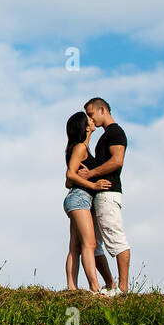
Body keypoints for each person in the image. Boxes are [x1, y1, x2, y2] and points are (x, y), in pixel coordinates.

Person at [78, 96, 131, 295]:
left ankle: (123, 288)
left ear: (102, 110)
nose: (90, 119)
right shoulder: (104, 135)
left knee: (116, 239)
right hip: (100, 196)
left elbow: (117, 161)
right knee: (95, 244)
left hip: (109, 194)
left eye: (91, 114)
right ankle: (110, 285)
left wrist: (90, 174)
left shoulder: (115, 132)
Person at [62, 110, 113, 293]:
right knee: (89, 245)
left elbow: (69, 180)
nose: (92, 121)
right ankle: (95, 287)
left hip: (77, 199)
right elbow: (69, 175)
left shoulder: (80, 148)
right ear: (85, 127)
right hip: (80, 199)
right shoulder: (81, 148)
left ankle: (72, 288)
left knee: (75, 247)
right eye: (89, 120)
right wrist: (93, 185)